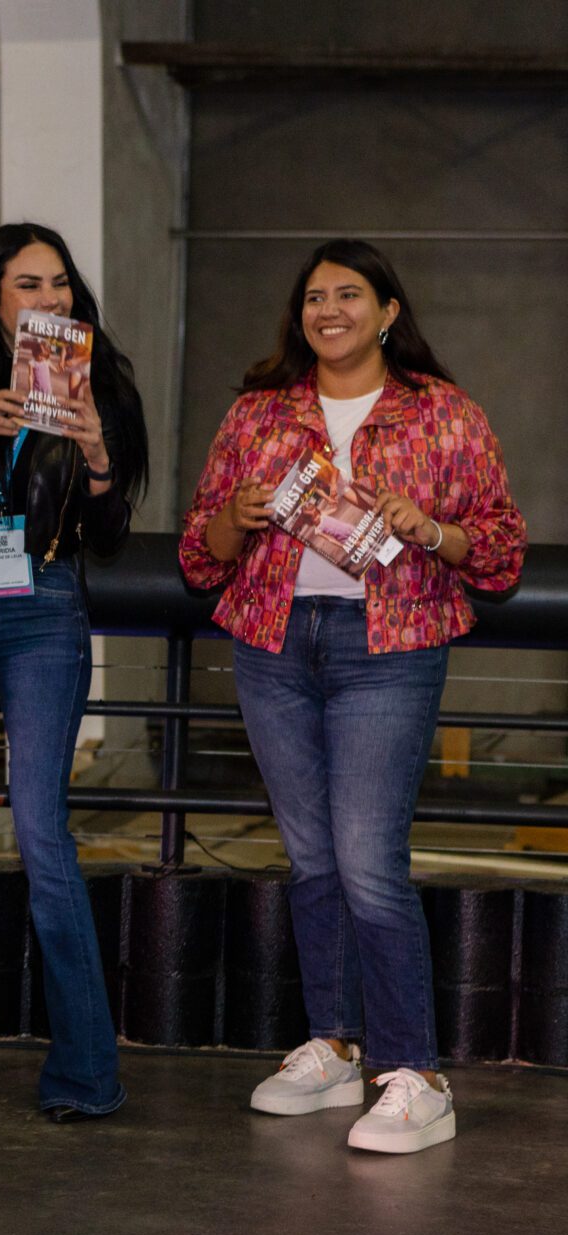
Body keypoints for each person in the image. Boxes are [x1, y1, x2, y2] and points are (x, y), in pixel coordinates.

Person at [178, 239, 524, 1155]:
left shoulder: (443, 416)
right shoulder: (259, 415)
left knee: (370, 860)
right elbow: (196, 554)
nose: (328, 310)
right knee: (312, 859)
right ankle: (334, 1042)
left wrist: (429, 527)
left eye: (348, 294)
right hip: (273, 646)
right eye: (314, 297)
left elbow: (499, 552)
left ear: (388, 311)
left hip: (390, 650)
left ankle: (415, 1071)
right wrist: (236, 516)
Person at [0, 224, 148, 1124]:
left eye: (59, 284)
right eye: (27, 284)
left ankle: (88, 1066)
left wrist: (93, 455)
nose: (47, 300)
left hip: (42, 603)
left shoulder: (101, 385)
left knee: (42, 833)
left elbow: (114, 535)